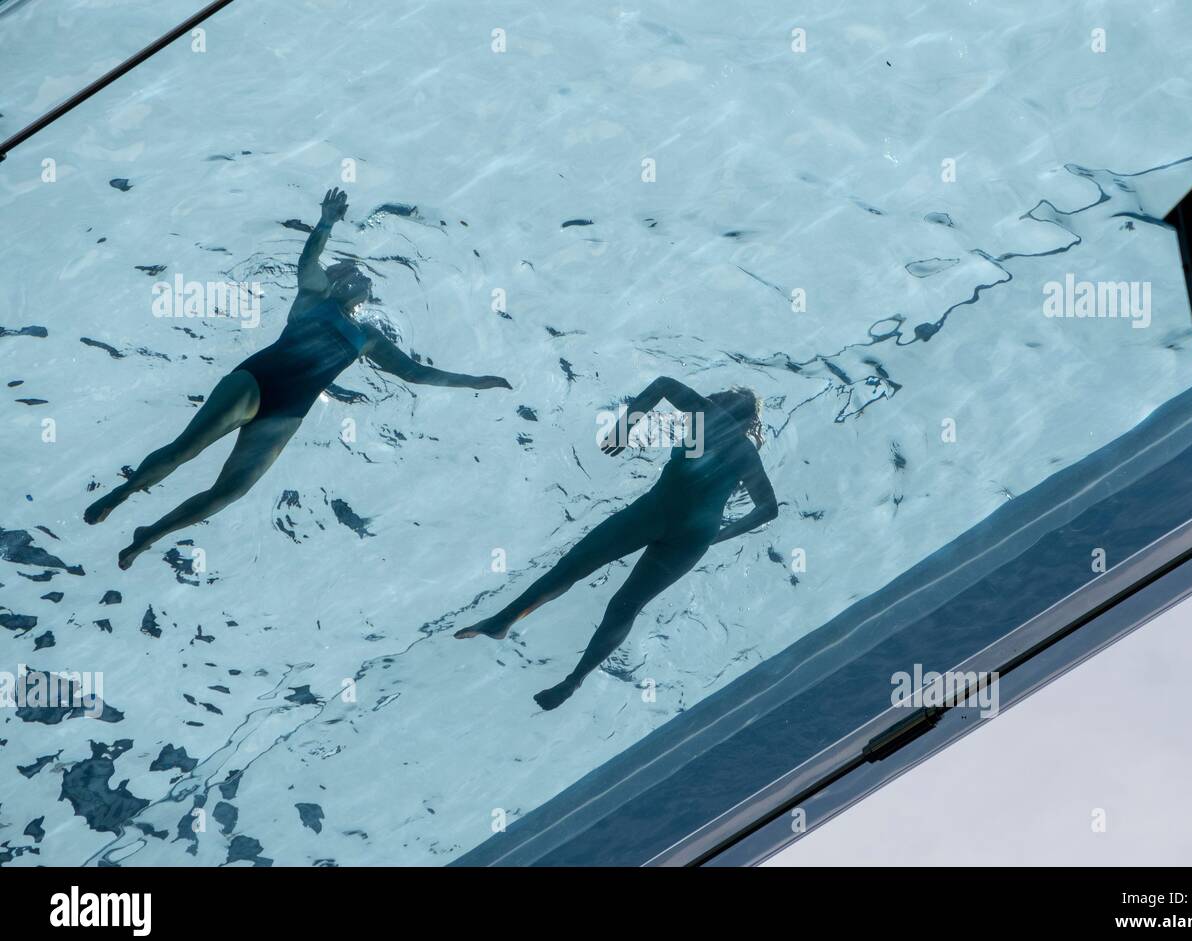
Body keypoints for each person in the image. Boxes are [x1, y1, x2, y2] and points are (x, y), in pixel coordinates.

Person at [86, 188, 511, 569]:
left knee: (231, 491)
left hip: (287, 414)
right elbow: (308, 261)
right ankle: (120, 495)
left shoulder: (367, 338)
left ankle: (150, 536)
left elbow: (415, 373)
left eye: (365, 282)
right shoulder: (315, 297)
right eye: (356, 275)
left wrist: (473, 381)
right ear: (340, 280)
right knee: (186, 449)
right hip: (255, 382)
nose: (363, 282)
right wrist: (326, 221)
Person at [455, 376, 777, 710]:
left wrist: (625, 428)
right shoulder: (744, 452)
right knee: (626, 605)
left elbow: (664, 384)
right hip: (694, 536)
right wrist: (722, 534)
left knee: (573, 566)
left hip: (658, 510)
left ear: (722, 402)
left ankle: (503, 621)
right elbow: (768, 509)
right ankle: (574, 680)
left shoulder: (704, 413)